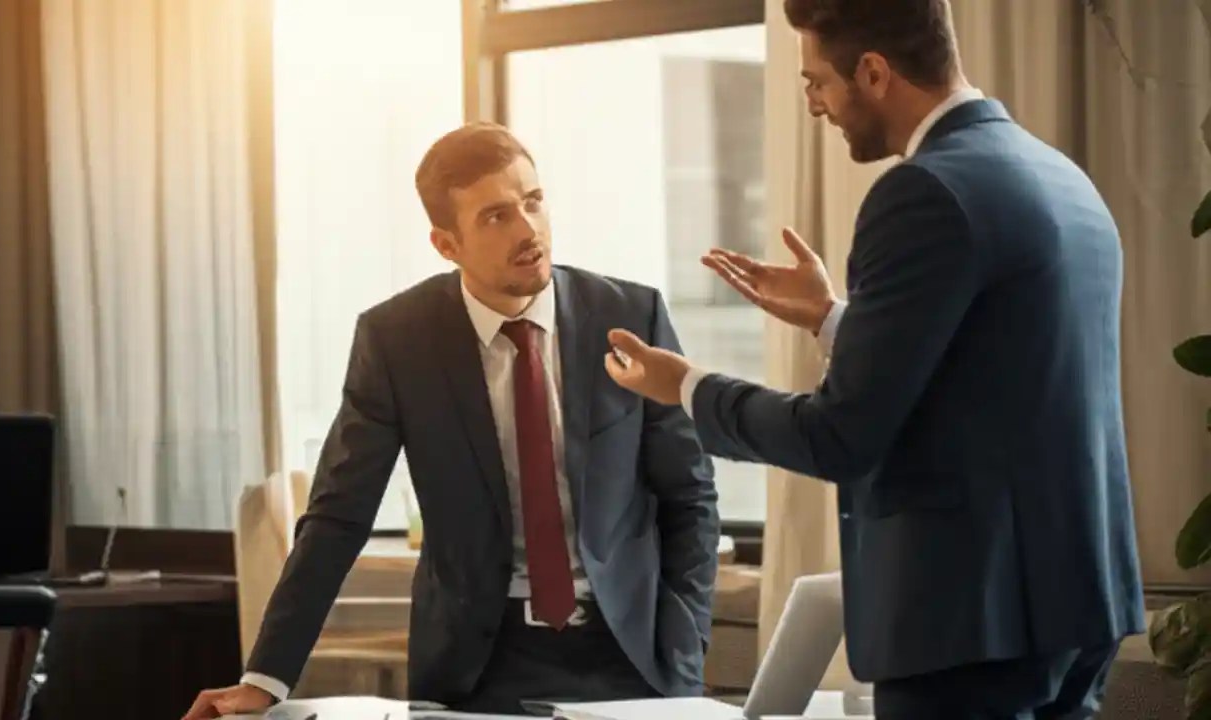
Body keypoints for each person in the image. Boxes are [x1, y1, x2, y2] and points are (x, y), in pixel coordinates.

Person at [603, 1, 1145, 718]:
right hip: (1079, 604)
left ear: (874, 72)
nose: (813, 105)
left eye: (816, 82)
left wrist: (688, 387)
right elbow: (992, 374)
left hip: (971, 623)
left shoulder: (923, 192)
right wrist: (833, 320)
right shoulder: (1059, 175)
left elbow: (840, 436)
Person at [182, 123, 720, 719]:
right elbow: (338, 515)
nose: (528, 230)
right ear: (446, 244)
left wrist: (685, 647)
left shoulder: (629, 316)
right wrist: (265, 678)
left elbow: (689, 493)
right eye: (495, 217)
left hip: (632, 656)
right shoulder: (397, 340)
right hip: (479, 664)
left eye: (533, 201)